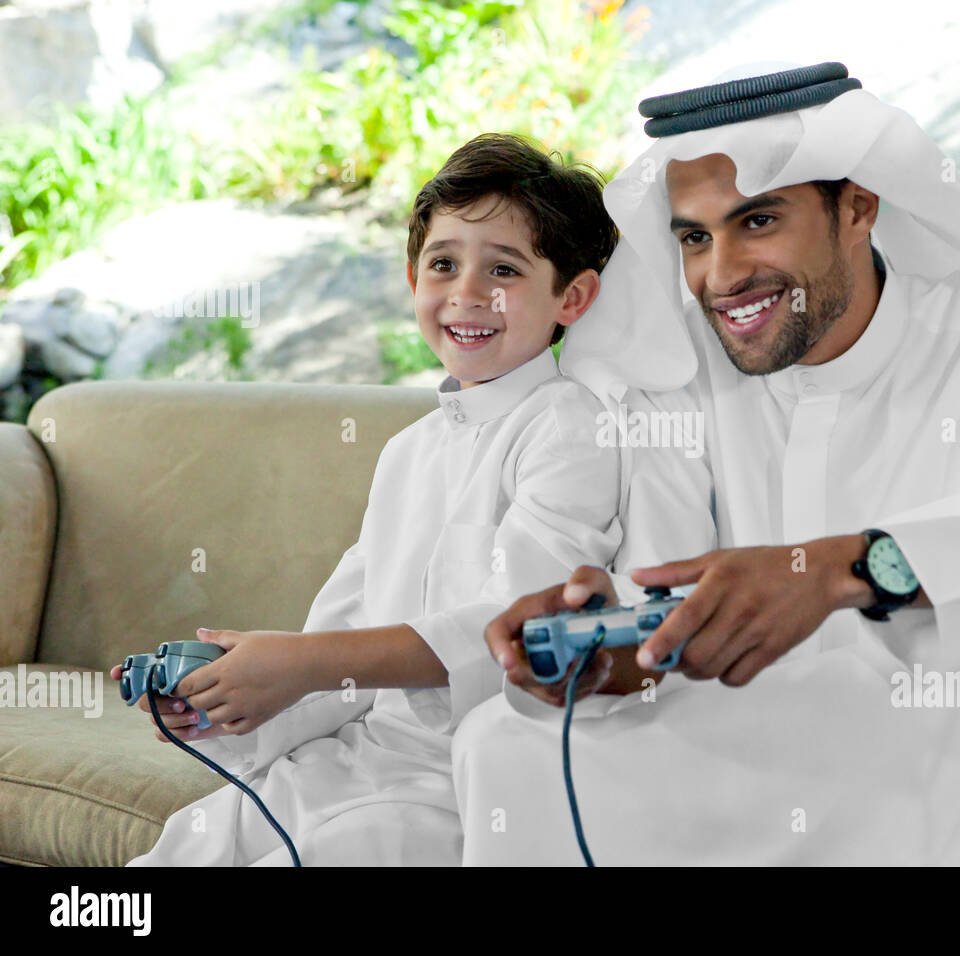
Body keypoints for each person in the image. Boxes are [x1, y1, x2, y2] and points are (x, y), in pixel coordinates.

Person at [450, 63, 960, 865]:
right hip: (761, 734)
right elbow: (670, 604)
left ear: (858, 208)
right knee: (499, 742)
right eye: (694, 237)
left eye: (757, 222)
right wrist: (612, 652)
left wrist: (853, 568)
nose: (720, 276)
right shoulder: (677, 369)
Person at [117, 132, 663, 865]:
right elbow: (337, 648)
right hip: (351, 760)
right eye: (444, 264)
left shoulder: (569, 427)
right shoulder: (409, 453)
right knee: (174, 855)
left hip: (460, 782)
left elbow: (520, 632)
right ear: (413, 279)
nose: (468, 293)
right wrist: (231, 705)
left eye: (503, 268)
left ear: (574, 296)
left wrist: (301, 663)